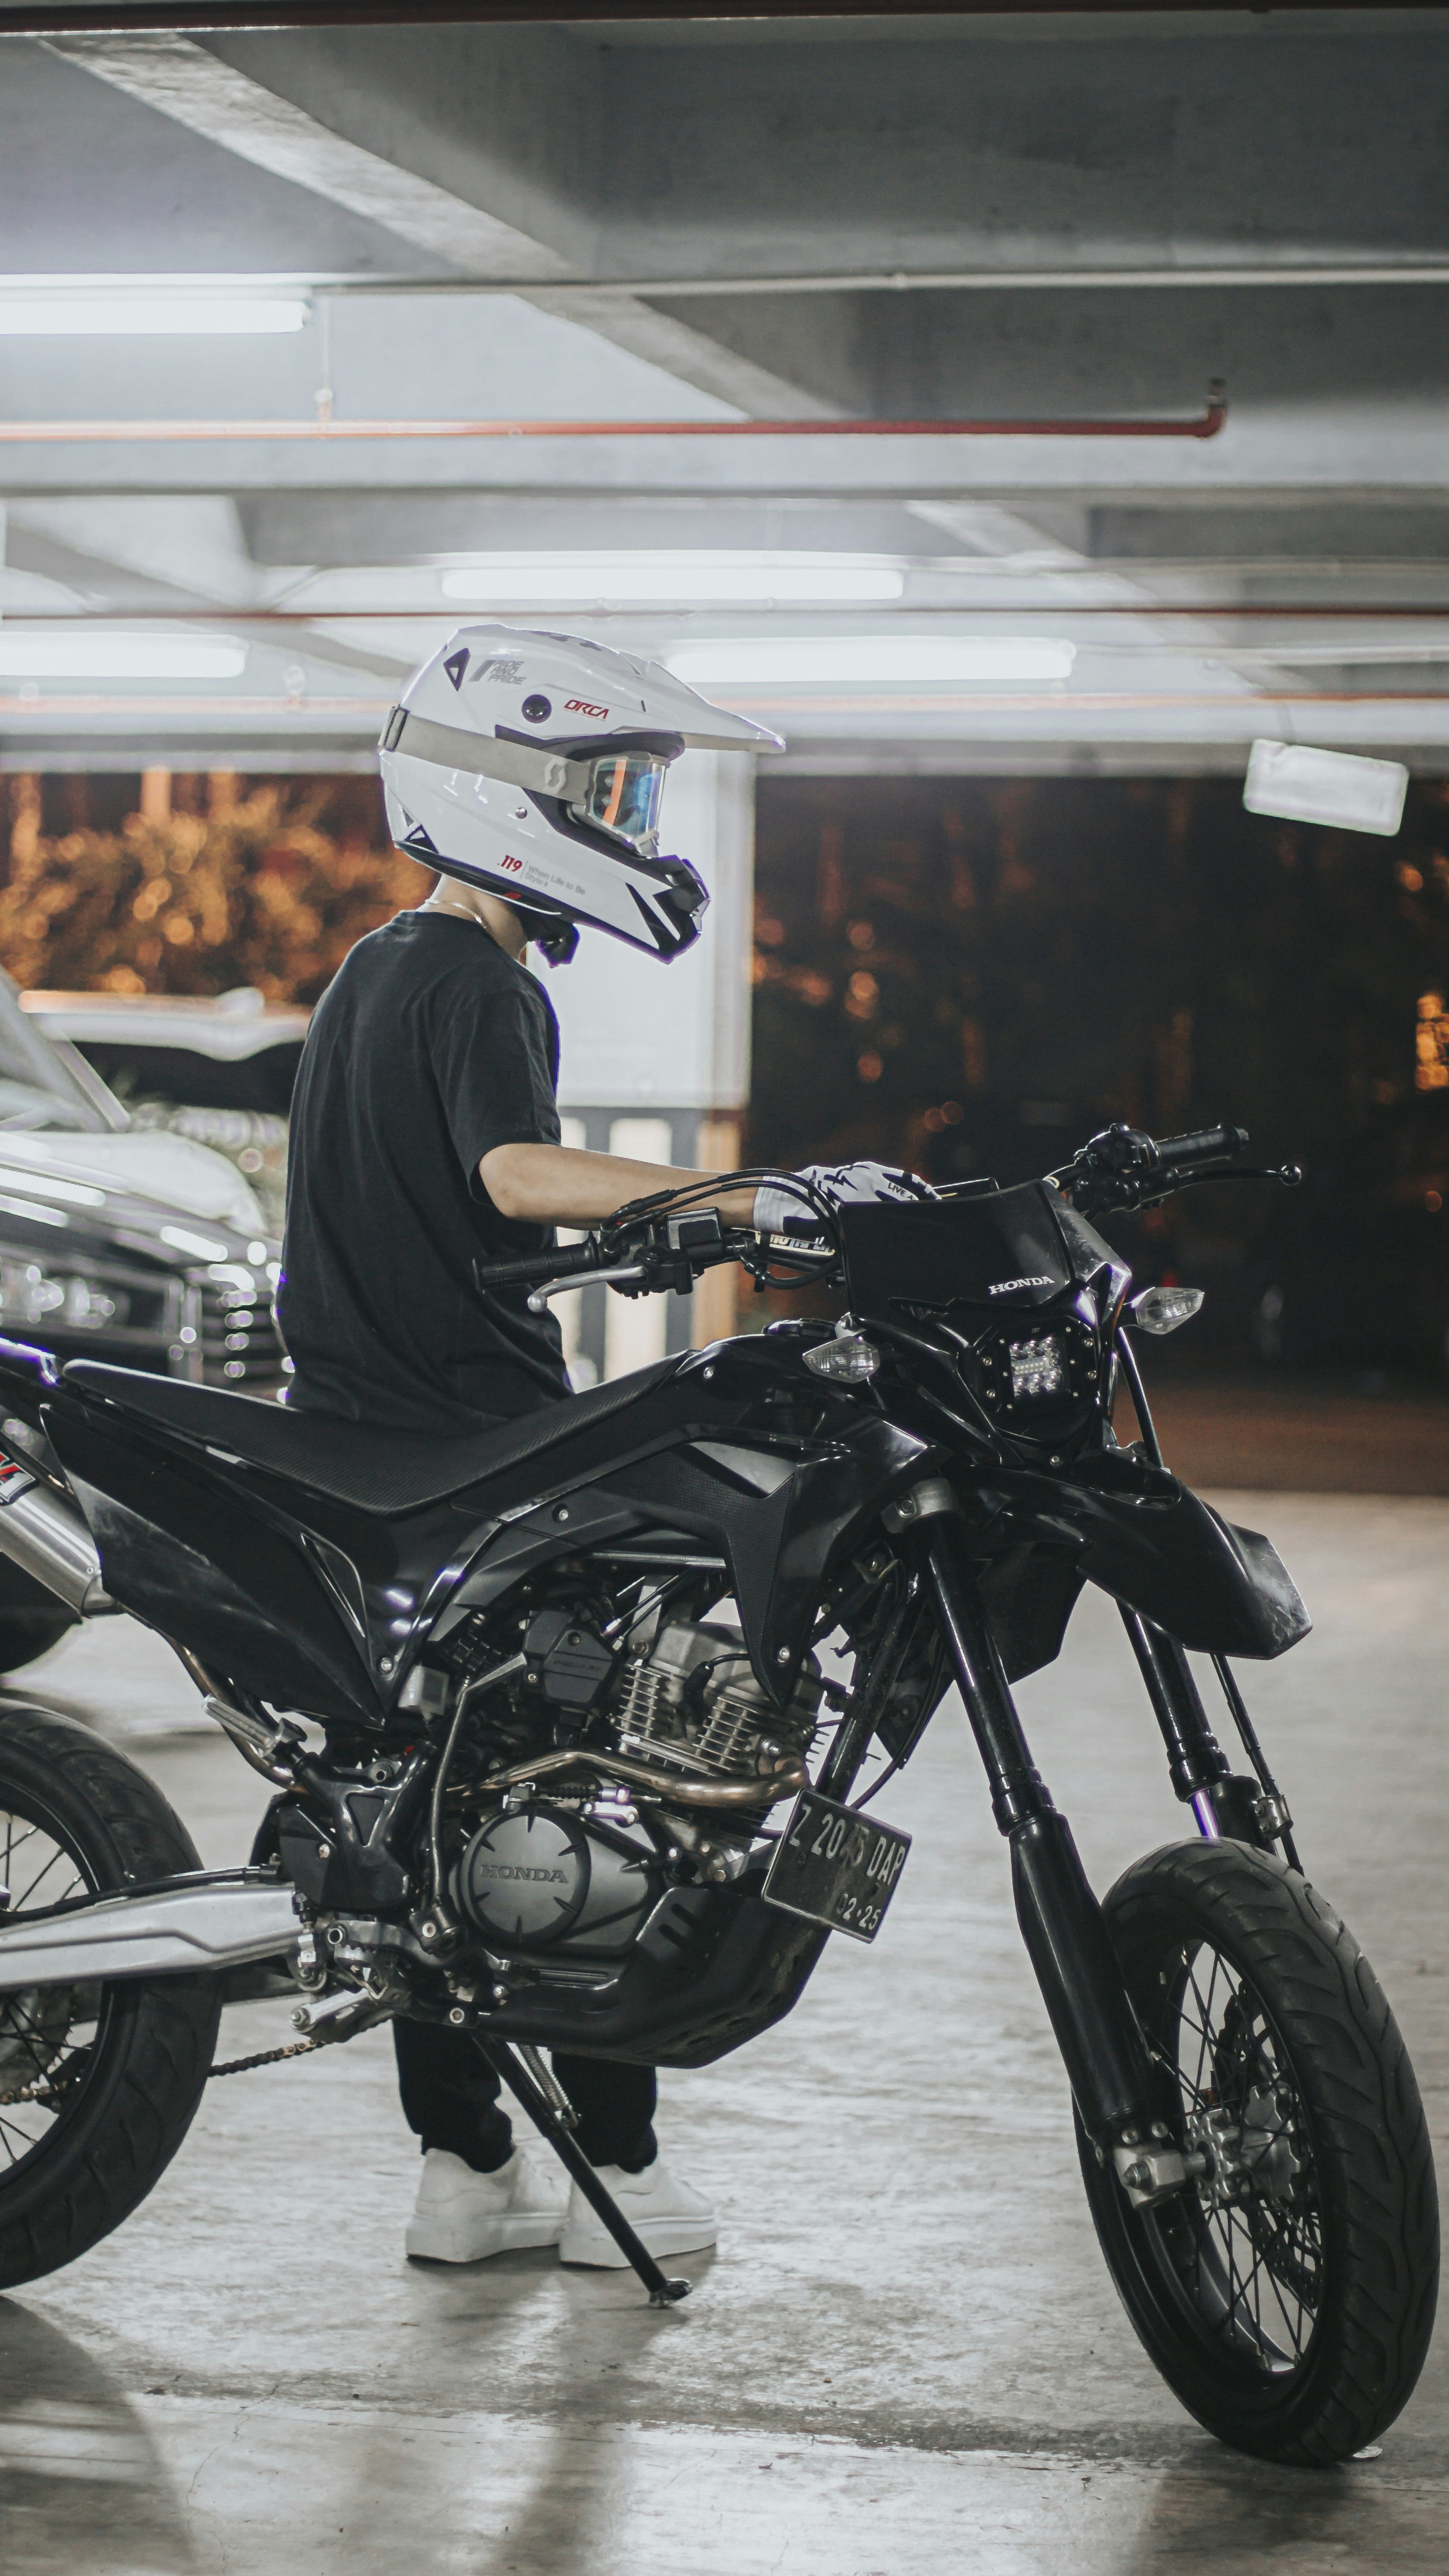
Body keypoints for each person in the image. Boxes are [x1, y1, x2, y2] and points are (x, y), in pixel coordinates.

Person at [277, 625, 925, 2270]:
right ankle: (619, 2169)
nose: (634, 822)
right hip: (489, 1449)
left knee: (424, 1794)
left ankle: (464, 2164)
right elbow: (506, 1175)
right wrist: (735, 1197)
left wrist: (630, 1239)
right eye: (611, 786)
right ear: (507, 794)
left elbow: (431, 1215)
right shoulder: (478, 975)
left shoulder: (370, 972)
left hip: (359, 1447)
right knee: (616, 1789)